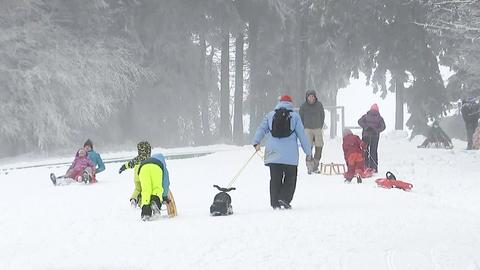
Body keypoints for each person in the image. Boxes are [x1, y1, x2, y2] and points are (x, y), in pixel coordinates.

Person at [252, 94, 312, 210]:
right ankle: (284, 198)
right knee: (290, 177)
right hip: (290, 155)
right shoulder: (295, 116)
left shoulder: (270, 115)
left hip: (273, 153)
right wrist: (308, 152)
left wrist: (256, 142)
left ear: (279, 102)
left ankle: (275, 202)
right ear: (291, 104)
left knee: (275, 178)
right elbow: (302, 136)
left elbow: (261, 128)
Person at [118, 141, 152, 207]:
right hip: (144, 177)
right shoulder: (149, 159)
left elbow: (129, 164)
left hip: (136, 178)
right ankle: (141, 203)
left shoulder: (137, 159)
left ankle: (133, 199)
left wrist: (123, 167)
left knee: (137, 189)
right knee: (145, 189)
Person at [299, 90, 325, 173]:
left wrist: (320, 126)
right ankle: (309, 166)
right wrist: (304, 127)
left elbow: (322, 116)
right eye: (309, 96)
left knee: (319, 147)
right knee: (308, 148)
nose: (311, 98)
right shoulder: (303, 106)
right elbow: (301, 117)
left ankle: (315, 165)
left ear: (315, 97)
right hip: (307, 129)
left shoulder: (319, 105)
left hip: (317, 128)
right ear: (307, 97)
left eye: (312, 96)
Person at [358, 103, 386, 173]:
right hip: (375, 136)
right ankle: (374, 168)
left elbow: (359, 121)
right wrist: (376, 130)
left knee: (365, 151)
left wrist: (366, 127)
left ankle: (365, 166)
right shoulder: (379, 118)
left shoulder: (365, 116)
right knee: (373, 151)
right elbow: (383, 127)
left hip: (366, 135)